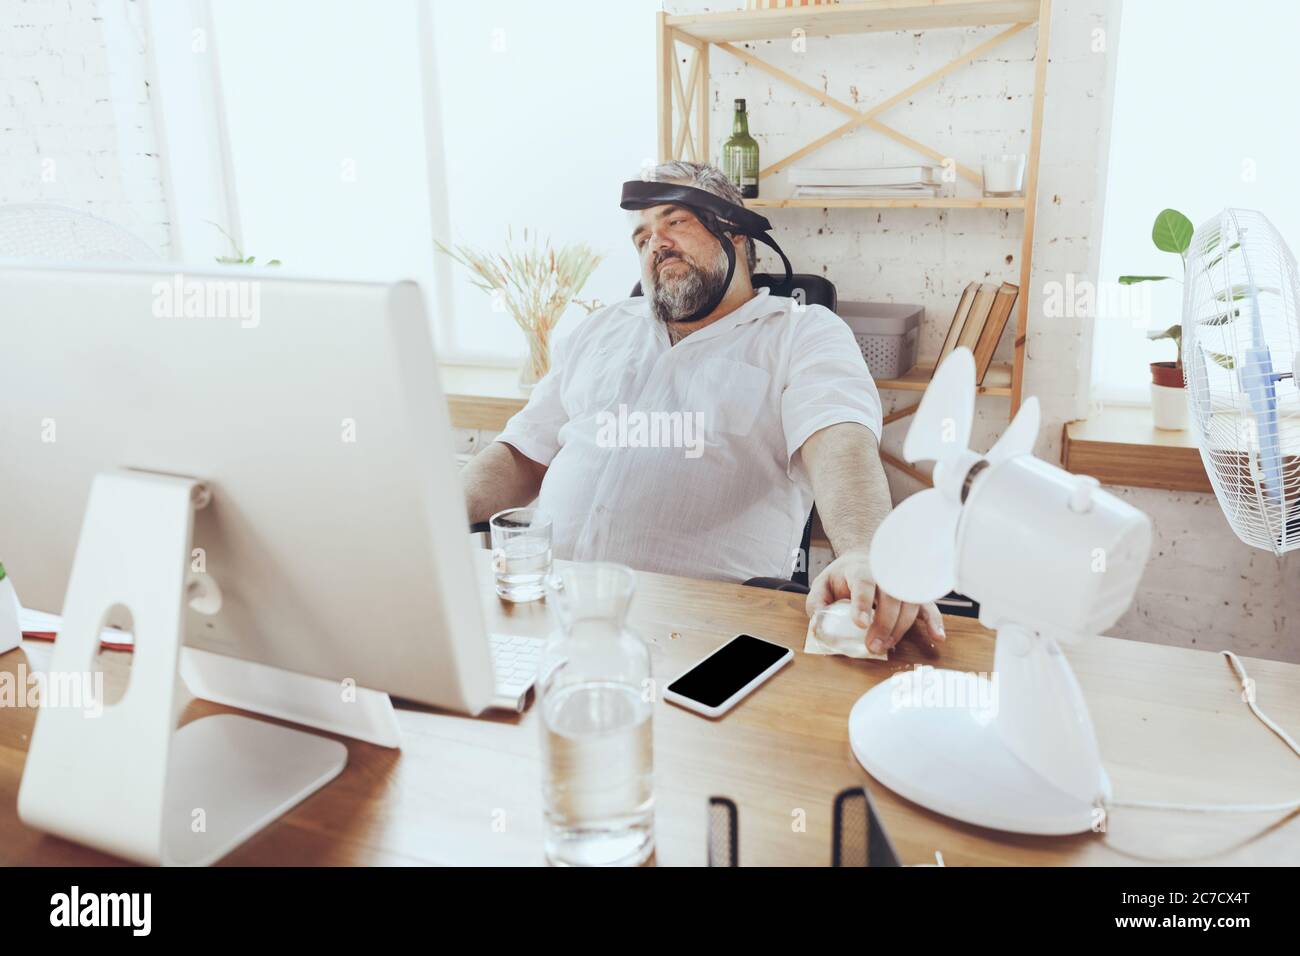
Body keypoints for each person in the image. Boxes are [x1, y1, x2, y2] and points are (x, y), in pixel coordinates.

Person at [462, 160, 943, 656]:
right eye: (642, 237)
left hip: (704, 634)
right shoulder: (598, 331)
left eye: (675, 221)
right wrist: (432, 509)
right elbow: (520, 452)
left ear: (735, 233)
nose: (657, 243)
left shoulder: (801, 333)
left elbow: (839, 440)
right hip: (546, 615)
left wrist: (864, 551)